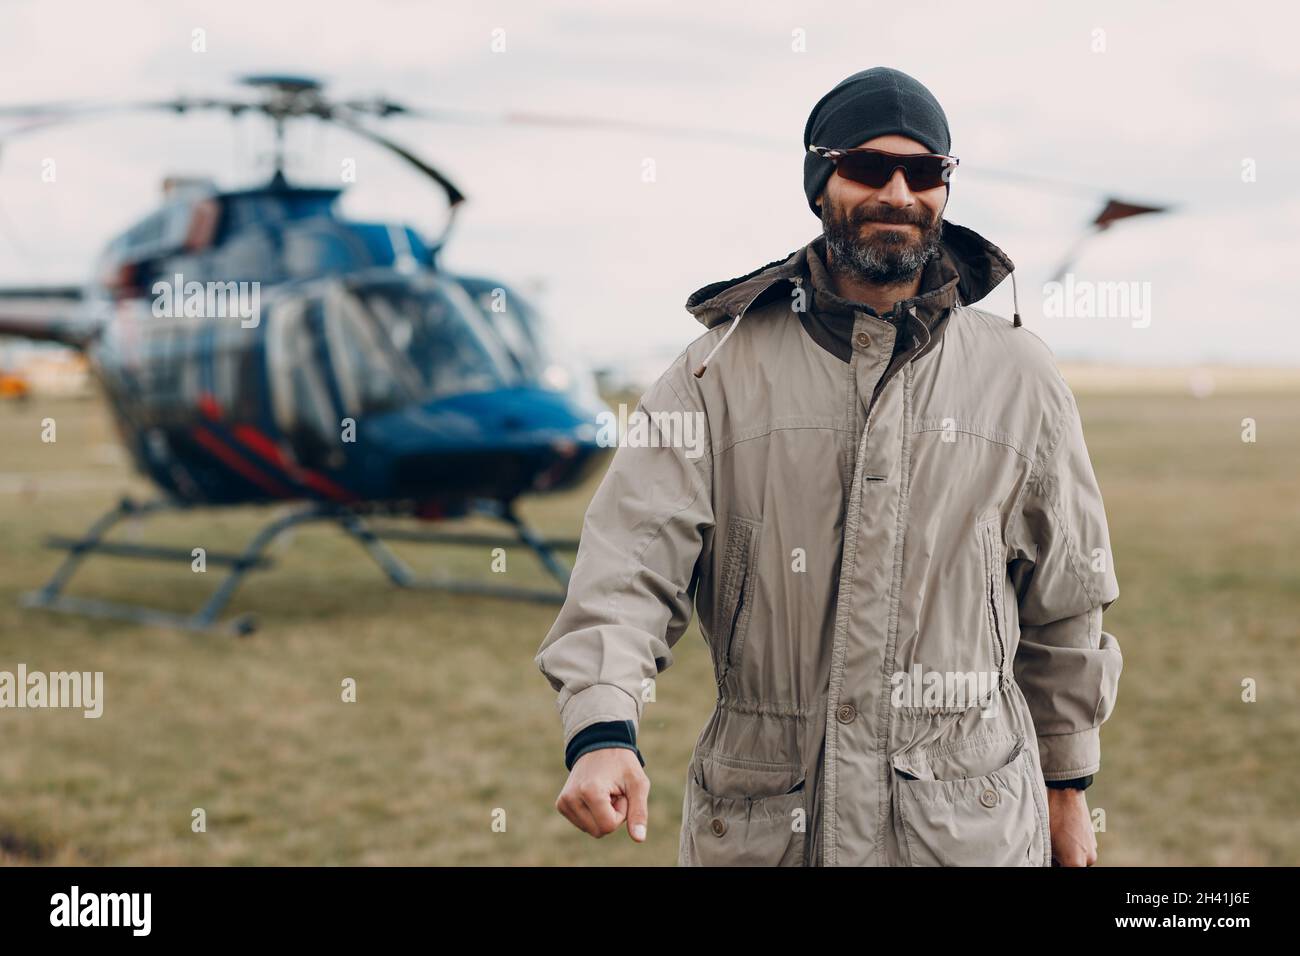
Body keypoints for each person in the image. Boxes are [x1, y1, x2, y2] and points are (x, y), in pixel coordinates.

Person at [535, 66, 1122, 867]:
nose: (898, 192)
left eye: (924, 172)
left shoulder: (1021, 377)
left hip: (971, 829)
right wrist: (602, 729)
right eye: (867, 167)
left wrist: (1067, 791)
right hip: (764, 828)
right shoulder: (715, 375)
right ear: (820, 183)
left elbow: (1066, 606)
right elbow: (626, 570)